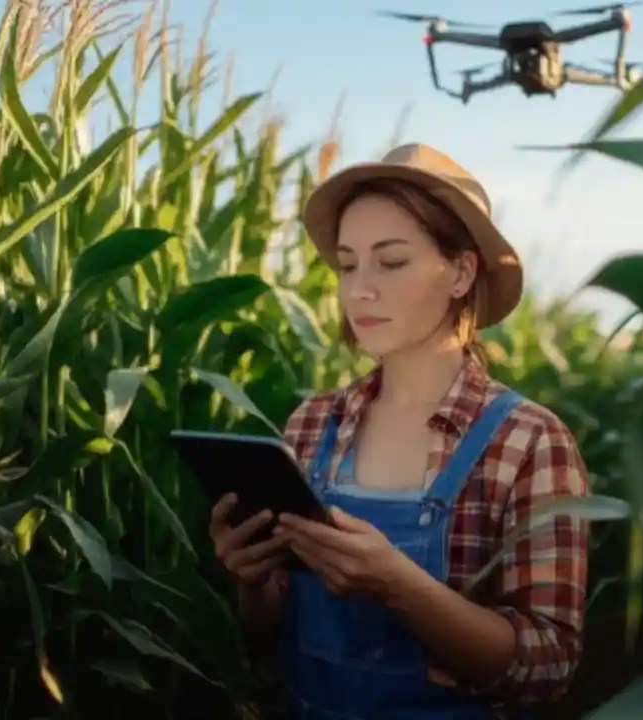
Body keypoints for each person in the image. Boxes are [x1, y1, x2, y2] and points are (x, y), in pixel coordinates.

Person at [207, 143, 589, 719]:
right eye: (347, 264)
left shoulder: (529, 443)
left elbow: (548, 669)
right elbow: (268, 643)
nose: (359, 289)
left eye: (390, 262)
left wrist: (398, 586)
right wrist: (252, 579)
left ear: (461, 272)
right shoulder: (311, 426)